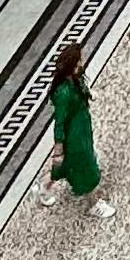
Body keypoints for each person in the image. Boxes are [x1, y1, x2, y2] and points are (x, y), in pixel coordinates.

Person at [47, 39, 106, 222]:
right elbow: (59, 122)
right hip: (74, 135)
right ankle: (93, 203)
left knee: (66, 166)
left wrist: (88, 94)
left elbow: (82, 88)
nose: (82, 63)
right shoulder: (63, 93)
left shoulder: (75, 78)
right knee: (86, 164)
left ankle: (44, 186)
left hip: (81, 127)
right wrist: (59, 146)